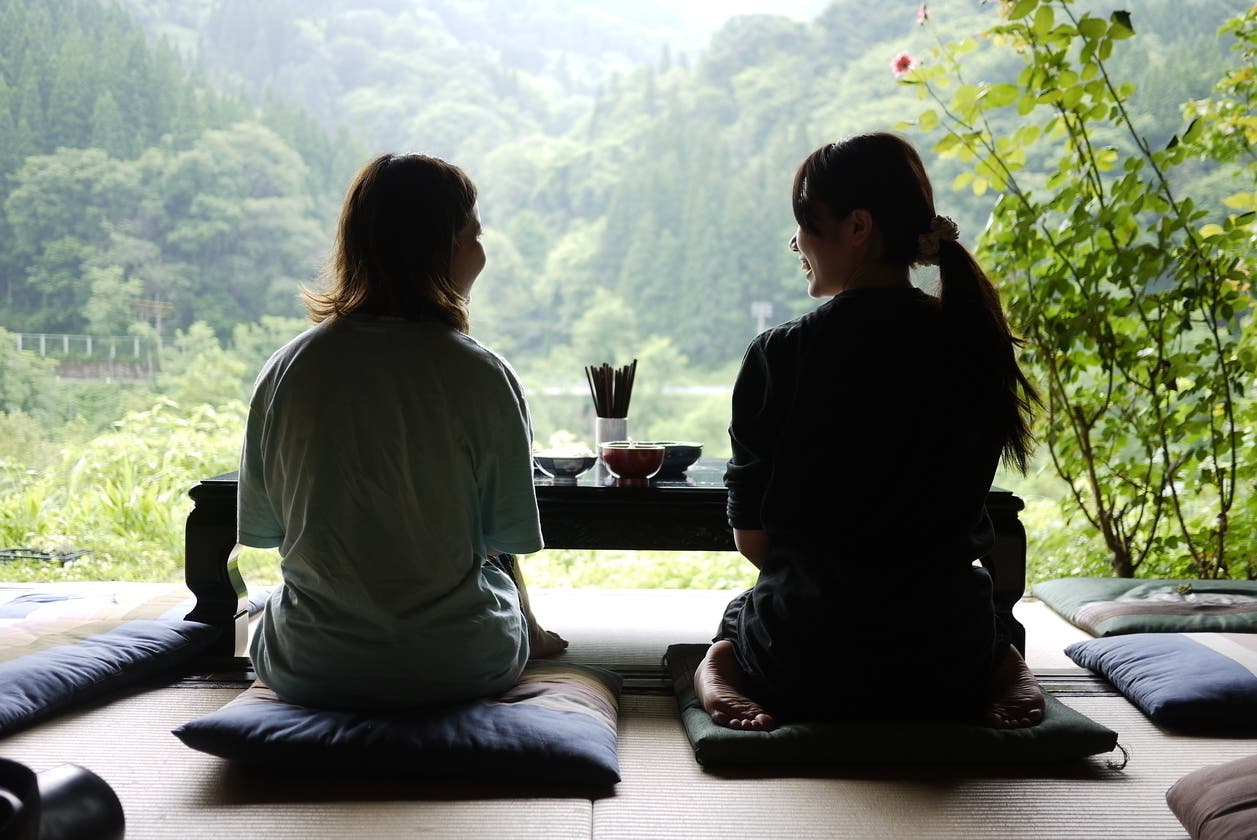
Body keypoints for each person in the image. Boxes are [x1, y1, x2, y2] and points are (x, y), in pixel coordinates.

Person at [695, 133, 1045, 732]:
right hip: (946, 660)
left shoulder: (779, 356)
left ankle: (719, 663)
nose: (795, 242)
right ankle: (1002, 662)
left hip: (803, 660)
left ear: (858, 227)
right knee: (971, 597)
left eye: (805, 223)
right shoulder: (970, 343)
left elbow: (754, 543)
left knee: (754, 608)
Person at [237, 153, 565, 711]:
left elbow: (266, 528)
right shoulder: (483, 374)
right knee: (497, 591)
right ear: (442, 249)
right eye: (474, 234)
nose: (481, 253)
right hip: (461, 665)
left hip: (307, 666)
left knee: (268, 605)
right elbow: (505, 536)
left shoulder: (287, 369)